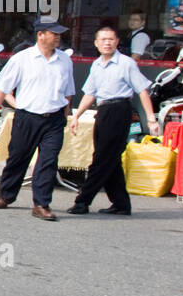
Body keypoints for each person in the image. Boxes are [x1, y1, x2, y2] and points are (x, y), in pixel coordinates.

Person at [0, 19, 75, 220]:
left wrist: (67, 113)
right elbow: (3, 87)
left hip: (53, 119)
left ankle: (41, 204)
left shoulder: (65, 60)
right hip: (27, 117)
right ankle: (6, 195)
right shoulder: (22, 58)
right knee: (18, 158)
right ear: (40, 35)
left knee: (48, 161)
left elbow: (68, 91)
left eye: (60, 34)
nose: (58, 37)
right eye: (54, 33)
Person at [67, 26, 157, 216]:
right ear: (96, 43)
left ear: (117, 42)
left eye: (111, 39)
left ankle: (82, 201)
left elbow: (142, 90)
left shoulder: (126, 63)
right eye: (103, 39)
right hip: (102, 110)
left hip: (119, 110)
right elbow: (90, 93)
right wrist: (76, 115)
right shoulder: (96, 65)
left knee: (101, 159)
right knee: (110, 159)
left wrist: (151, 118)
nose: (107, 43)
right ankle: (121, 204)